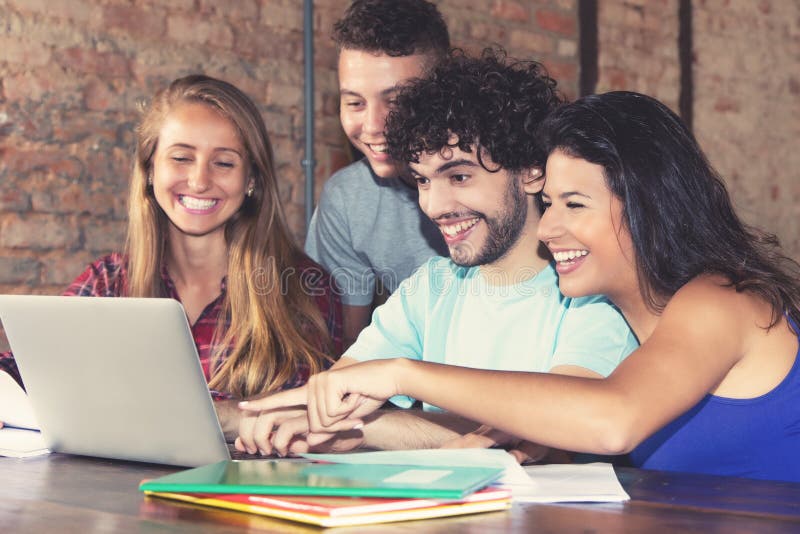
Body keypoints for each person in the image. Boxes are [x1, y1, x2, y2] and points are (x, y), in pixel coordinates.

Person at [246, 91, 800, 482]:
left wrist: (401, 373)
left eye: (575, 205)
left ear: (647, 204)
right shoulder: (639, 318)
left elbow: (611, 420)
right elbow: (570, 416)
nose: (551, 226)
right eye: (551, 203)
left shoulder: (719, 300)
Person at [236, 50, 638, 458]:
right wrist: (309, 420)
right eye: (423, 181)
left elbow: (559, 425)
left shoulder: (591, 289)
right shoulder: (432, 284)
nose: (435, 205)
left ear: (532, 170)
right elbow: (342, 393)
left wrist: (399, 382)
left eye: (459, 176)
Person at [0, 75, 343, 436]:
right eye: (181, 158)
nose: (198, 181)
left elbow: (311, 414)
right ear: (149, 169)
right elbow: (26, 367)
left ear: (251, 180)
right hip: (112, 489)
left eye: (224, 163)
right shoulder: (109, 281)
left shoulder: (304, 288)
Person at [305, 0, 450, 350]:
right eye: (355, 103)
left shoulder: (510, 183)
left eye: (397, 101)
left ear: (445, 92)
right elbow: (346, 346)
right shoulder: (348, 199)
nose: (373, 126)